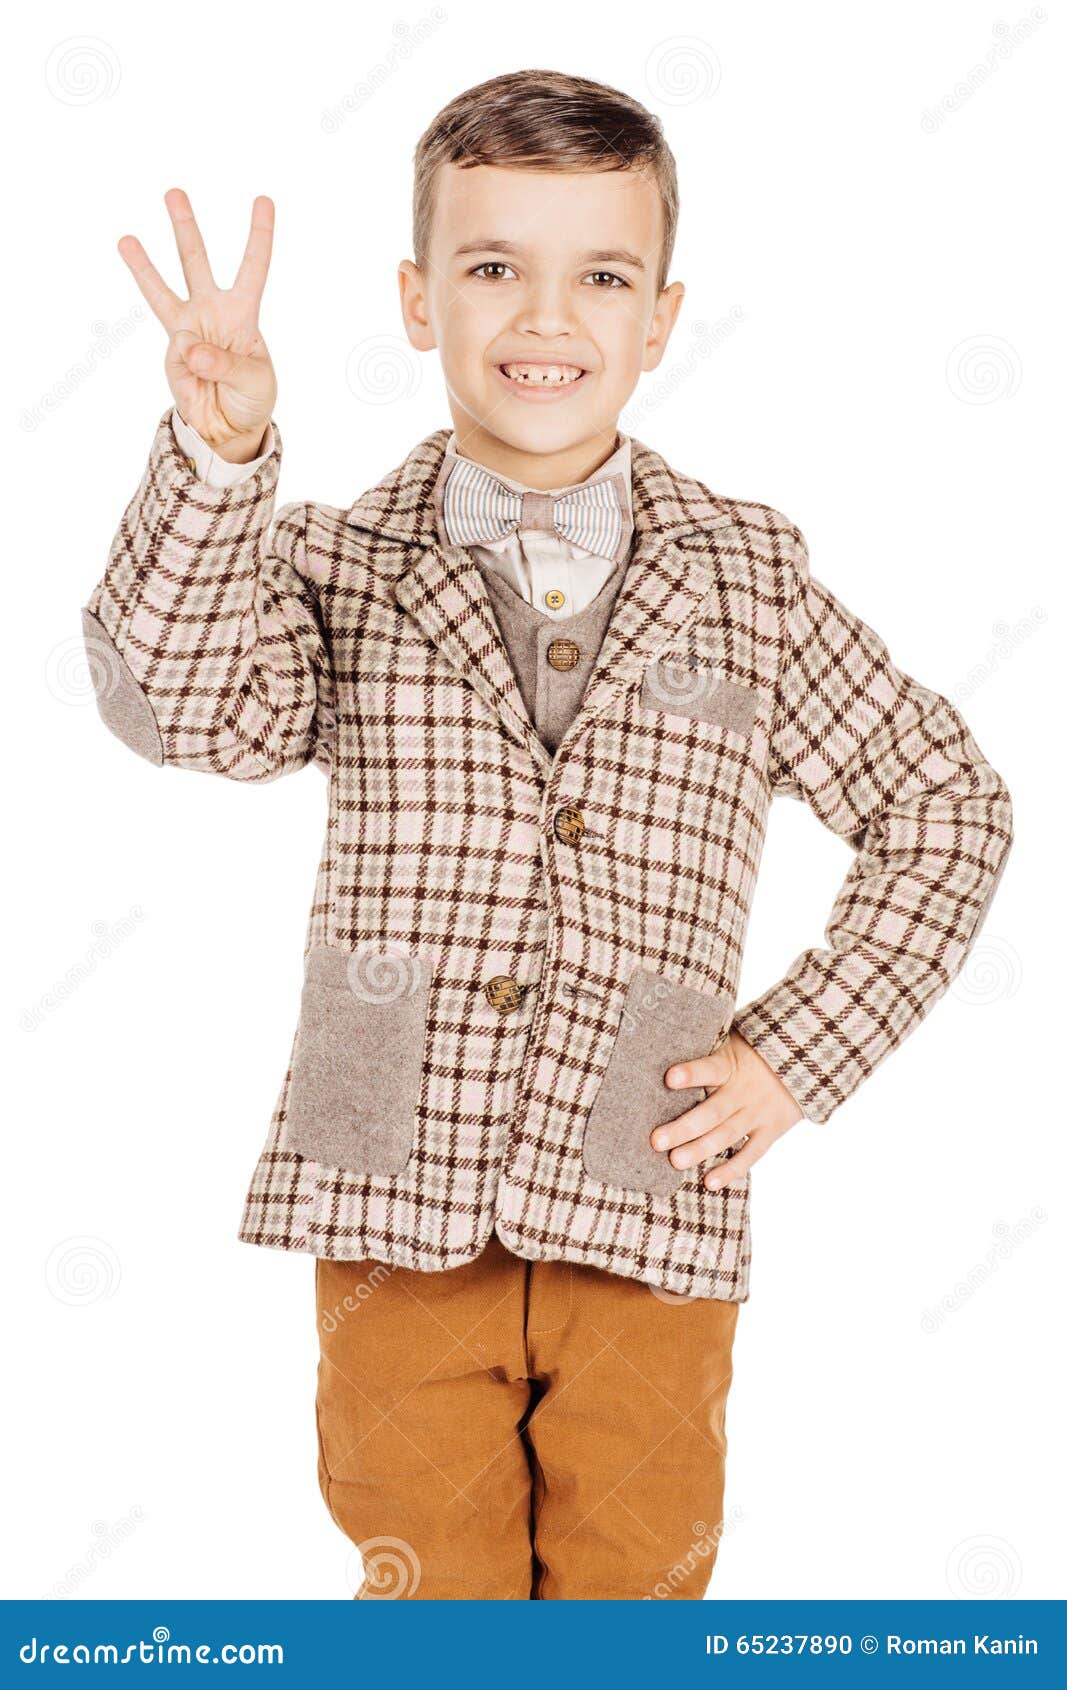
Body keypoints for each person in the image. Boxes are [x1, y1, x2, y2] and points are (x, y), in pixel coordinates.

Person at [79, 68, 1014, 1600]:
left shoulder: (752, 582)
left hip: (646, 1188)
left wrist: (800, 1052)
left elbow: (946, 807)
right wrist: (223, 462)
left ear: (661, 316)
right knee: (422, 1588)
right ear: (416, 296)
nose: (545, 318)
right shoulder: (331, 563)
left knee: (634, 1586)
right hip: (391, 1193)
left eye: (601, 276)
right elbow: (176, 705)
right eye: (493, 266)